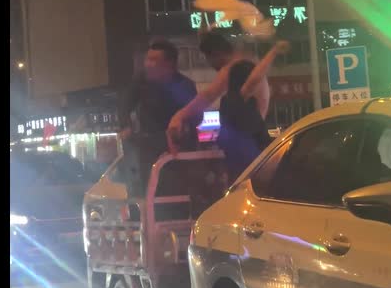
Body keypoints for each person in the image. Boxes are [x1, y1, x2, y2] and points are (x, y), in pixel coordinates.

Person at [167, 33, 290, 180]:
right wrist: (273, 52)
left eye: (208, 59)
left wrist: (180, 116)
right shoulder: (240, 90)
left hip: (247, 153)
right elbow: (252, 80)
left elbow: (208, 96)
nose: (210, 65)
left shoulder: (234, 72)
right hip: (252, 149)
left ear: (215, 55)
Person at [119, 40, 199, 194]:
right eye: (147, 59)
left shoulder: (185, 86)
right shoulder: (142, 83)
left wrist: (181, 137)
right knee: (149, 191)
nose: (148, 64)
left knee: (175, 191)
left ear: (170, 63)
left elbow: (196, 118)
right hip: (148, 147)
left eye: (154, 60)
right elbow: (124, 105)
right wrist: (126, 126)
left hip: (176, 149)